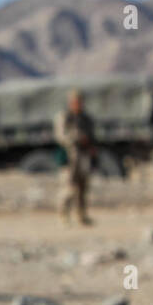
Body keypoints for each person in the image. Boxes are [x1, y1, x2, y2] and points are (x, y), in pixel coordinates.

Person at [56, 90, 95, 224]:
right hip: (69, 156)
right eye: (74, 102)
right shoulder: (64, 117)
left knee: (83, 188)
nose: (77, 104)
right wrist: (77, 137)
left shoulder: (86, 118)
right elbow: (61, 136)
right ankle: (63, 216)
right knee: (68, 188)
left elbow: (92, 135)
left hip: (83, 157)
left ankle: (81, 216)